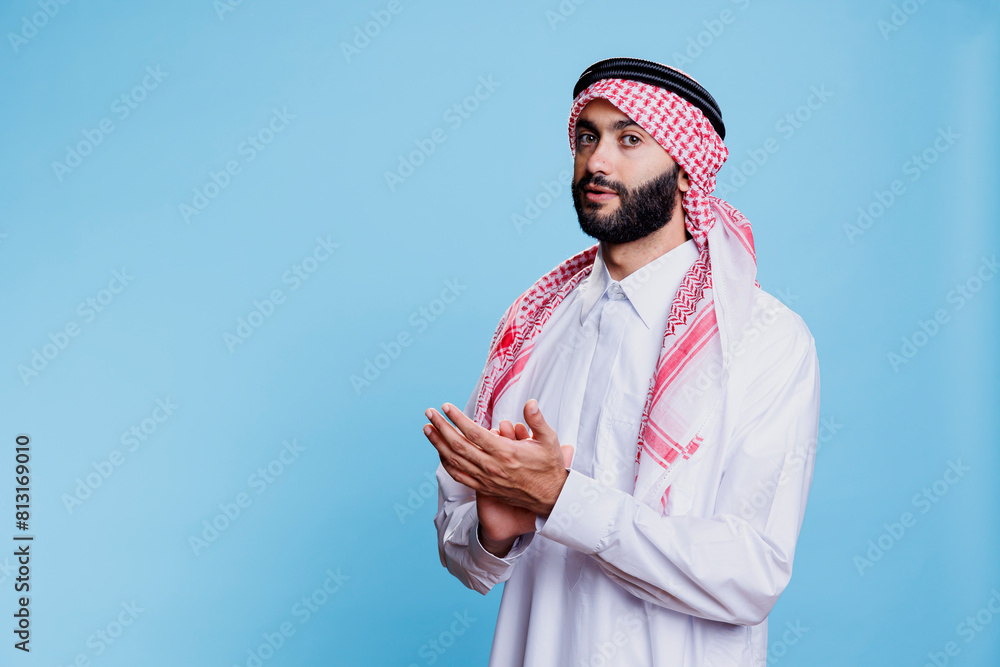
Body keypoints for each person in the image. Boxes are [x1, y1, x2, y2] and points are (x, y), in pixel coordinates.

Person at [422, 57, 821, 667]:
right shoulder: (531, 328)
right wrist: (495, 529)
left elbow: (751, 574)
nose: (597, 162)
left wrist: (561, 500)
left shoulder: (763, 338)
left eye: (629, 139)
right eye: (588, 138)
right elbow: (467, 561)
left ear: (688, 172)